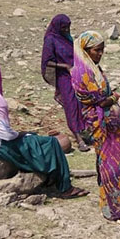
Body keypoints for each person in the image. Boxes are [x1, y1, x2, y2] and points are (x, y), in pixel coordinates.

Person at [0, 57, 88, 199]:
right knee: (51, 143)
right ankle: (65, 187)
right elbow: (6, 135)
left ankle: (50, 177)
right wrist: (22, 134)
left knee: (35, 140)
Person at [71, 31, 120, 226]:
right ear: (85, 50)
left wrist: (110, 98)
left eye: (102, 50)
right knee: (114, 165)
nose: (100, 54)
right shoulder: (82, 72)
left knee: (119, 161)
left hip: (110, 124)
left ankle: (117, 204)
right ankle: (119, 211)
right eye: (97, 50)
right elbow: (99, 99)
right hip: (101, 125)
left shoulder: (94, 68)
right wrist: (114, 97)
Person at [40, 14, 89, 152]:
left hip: (75, 75)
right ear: (57, 26)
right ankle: (78, 138)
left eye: (68, 26)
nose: (67, 29)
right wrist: (65, 66)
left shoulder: (67, 39)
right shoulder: (50, 39)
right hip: (63, 77)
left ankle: (84, 132)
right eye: (64, 27)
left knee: (81, 103)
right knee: (71, 106)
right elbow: (47, 61)